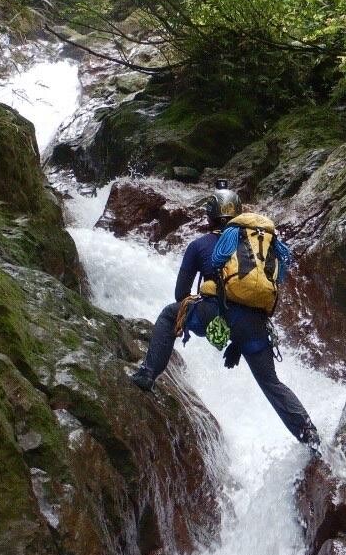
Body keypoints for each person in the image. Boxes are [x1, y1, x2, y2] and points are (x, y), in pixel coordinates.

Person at [129, 182, 322, 453]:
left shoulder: (199, 245)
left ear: (210, 216)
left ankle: (148, 374)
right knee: (271, 382)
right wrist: (237, 341)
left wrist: (211, 322)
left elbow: (180, 294)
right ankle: (310, 436)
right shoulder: (258, 247)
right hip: (254, 326)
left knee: (169, 315)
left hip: (213, 312)